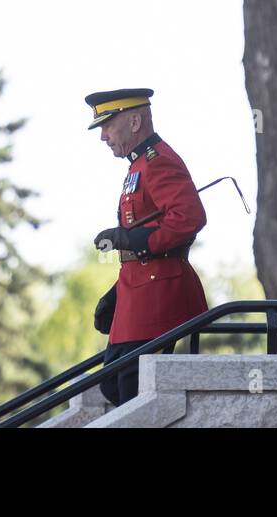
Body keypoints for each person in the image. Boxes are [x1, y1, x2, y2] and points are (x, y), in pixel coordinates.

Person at [85, 88, 208, 405]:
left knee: (131, 385)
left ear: (135, 121)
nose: (103, 136)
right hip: (138, 293)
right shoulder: (138, 166)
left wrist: (133, 239)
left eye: (107, 125)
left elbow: (188, 218)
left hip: (158, 296)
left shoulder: (158, 162)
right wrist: (118, 292)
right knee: (114, 382)